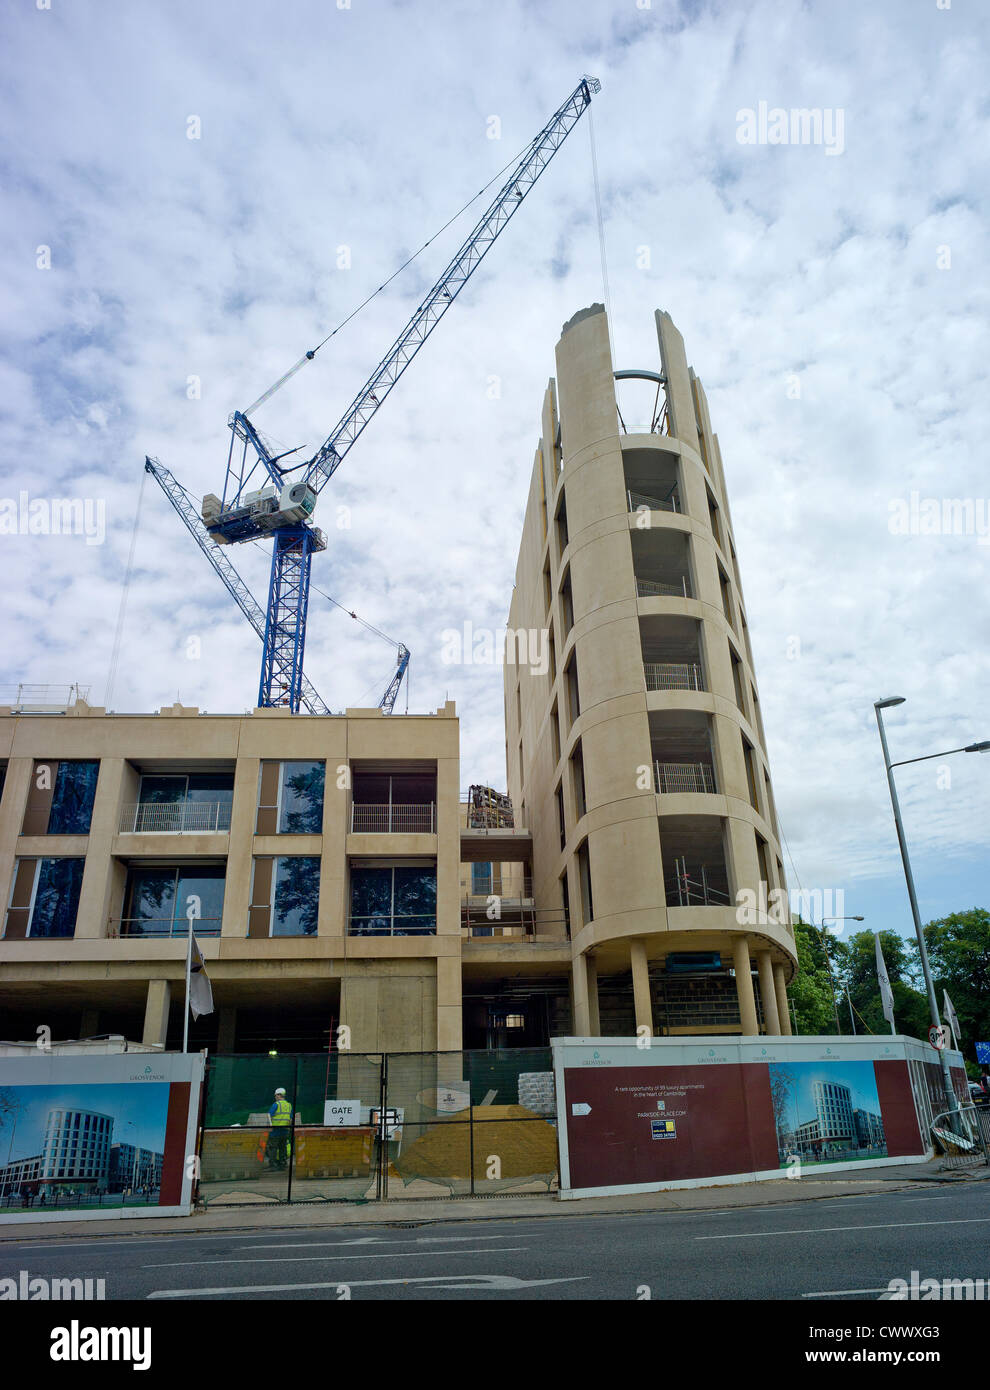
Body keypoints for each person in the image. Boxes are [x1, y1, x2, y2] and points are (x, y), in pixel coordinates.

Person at [267, 1087, 293, 1170]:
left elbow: (268, 1116)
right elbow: (291, 1118)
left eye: (276, 1095)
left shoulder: (276, 1105)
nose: (275, 1097)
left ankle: (273, 1165)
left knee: (273, 1147)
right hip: (285, 1131)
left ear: (279, 1095)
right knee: (283, 1147)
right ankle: (282, 1164)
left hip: (275, 1130)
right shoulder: (289, 1105)